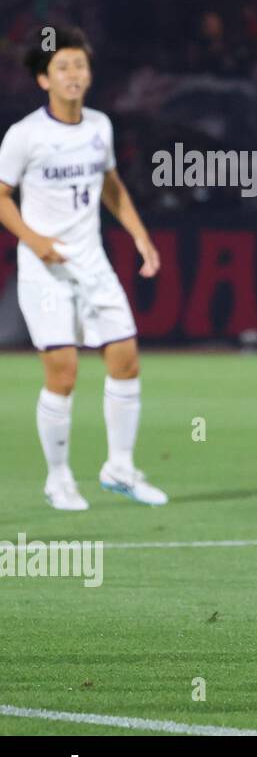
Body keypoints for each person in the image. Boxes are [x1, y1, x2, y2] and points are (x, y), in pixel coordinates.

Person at [0, 26, 167, 511]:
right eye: (63, 67)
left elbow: (111, 185)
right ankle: (58, 479)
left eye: (80, 65)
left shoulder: (99, 126)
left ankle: (120, 468)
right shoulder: (25, 135)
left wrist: (139, 235)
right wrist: (35, 241)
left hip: (92, 261)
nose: (74, 74)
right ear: (43, 80)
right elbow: (2, 197)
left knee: (125, 359)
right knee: (64, 373)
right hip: (44, 269)